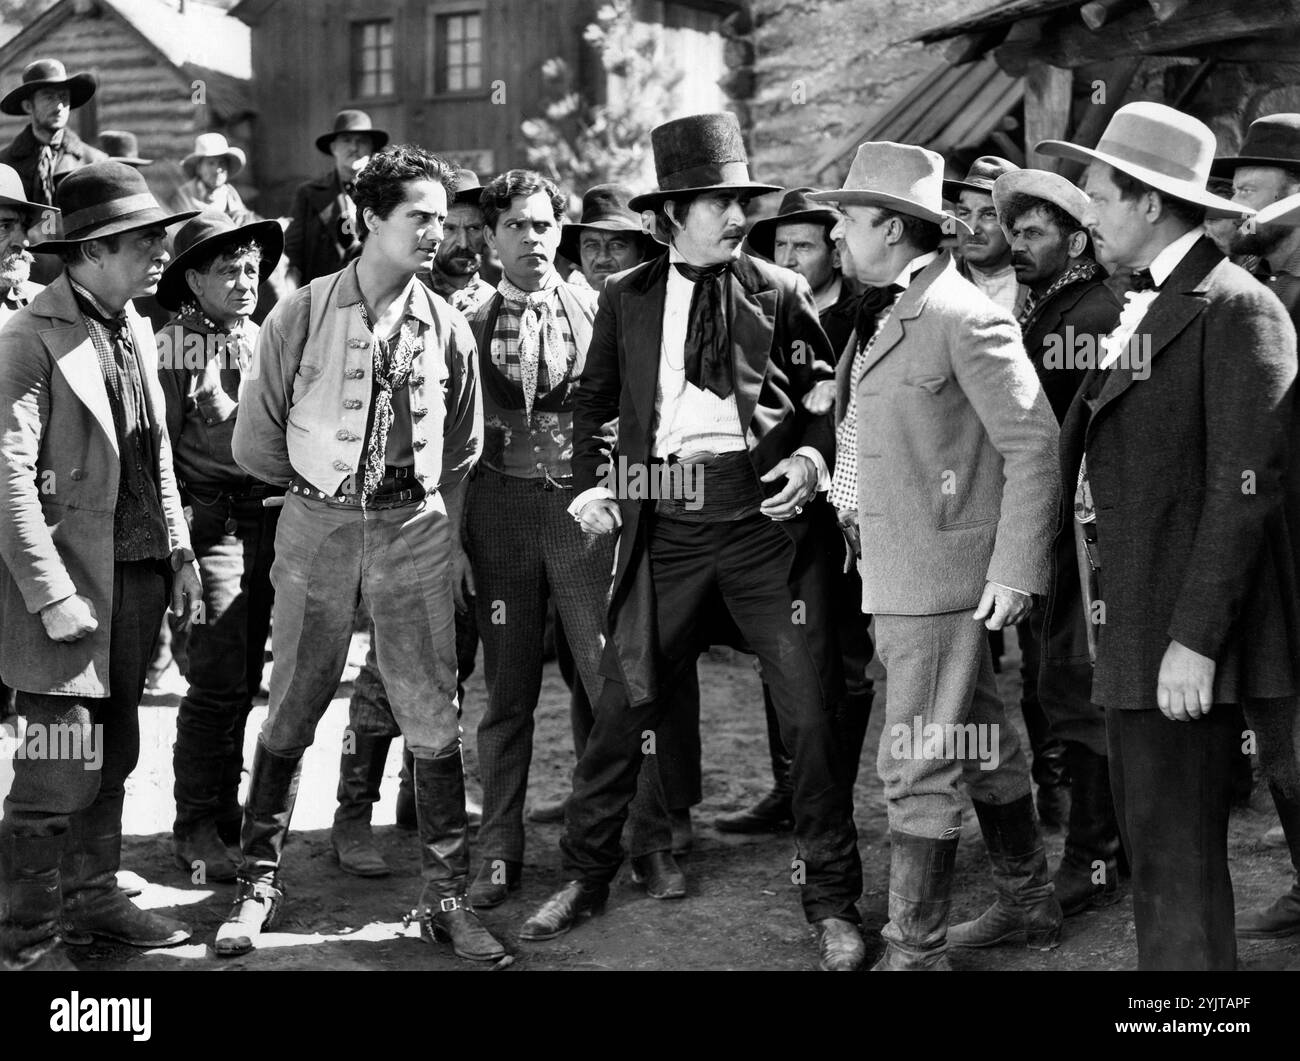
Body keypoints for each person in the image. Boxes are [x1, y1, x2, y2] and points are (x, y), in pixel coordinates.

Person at [518, 112, 865, 972]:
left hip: (766, 526)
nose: (736, 214)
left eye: (742, 199)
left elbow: (826, 392)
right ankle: (588, 874)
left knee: (812, 713)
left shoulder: (780, 290)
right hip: (662, 522)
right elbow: (594, 405)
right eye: (718, 201)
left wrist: (817, 457)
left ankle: (832, 900)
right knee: (621, 705)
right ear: (672, 213)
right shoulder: (626, 296)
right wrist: (597, 486)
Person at [223, 144, 506, 963]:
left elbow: (464, 445)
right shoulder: (301, 313)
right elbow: (255, 441)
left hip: (413, 531)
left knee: (431, 714)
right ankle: (255, 887)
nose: (435, 232)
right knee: (293, 705)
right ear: (369, 219)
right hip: (317, 528)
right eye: (418, 216)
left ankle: (445, 900)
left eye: (441, 217)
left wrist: (410, 508)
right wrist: (326, 491)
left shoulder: (446, 321)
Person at [1037, 101, 1297, 970]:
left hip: (1184, 641)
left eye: (1101, 196)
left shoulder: (1237, 309)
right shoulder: (1140, 304)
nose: (1089, 213)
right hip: (1131, 626)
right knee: (1157, 860)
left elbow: (1242, 495)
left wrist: (1193, 641)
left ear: (1150, 202)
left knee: (1180, 870)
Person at [810, 141, 1062, 970]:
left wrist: (1017, 568)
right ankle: (1033, 904)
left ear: (890, 225)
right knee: (982, 738)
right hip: (896, 567)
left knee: (917, 760)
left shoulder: (961, 314)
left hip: (936, 578)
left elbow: (1034, 445)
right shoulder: (889, 306)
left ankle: (913, 948)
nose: (837, 234)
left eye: (847, 219)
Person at [0, 162, 200, 971]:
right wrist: (50, 596)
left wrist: (181, 551)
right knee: (56, 760)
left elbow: (157, 460)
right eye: (146, 241)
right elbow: (6, 473)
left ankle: (92, 901)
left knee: (112, 750)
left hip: (140, 577)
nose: (162, 254)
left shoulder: (136, 324)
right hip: (69, 588)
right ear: (90, 249)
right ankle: (27, 938)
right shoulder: (25, 338)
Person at [720, 185, 876, 834]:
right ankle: (790, 786)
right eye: (781, 244)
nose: (790, 254)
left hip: (849, 516)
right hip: (782, 515)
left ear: (834, 254)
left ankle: (830, 786)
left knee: (842, 656)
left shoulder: (864, 317)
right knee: (780, 651)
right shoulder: (768, 311)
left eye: (804, 244)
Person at [992, 167, 1126, 914]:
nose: (1015, 243)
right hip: (1065, 532)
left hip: (1086, 536)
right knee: (1069, 685)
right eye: (1012, 230)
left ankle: (1092, 854)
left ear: (1076, 241)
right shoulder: (1053, 308)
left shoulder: (1087, 315)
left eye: (1032, 231)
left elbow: (1065, 437)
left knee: (1079, 686)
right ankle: (1112, 847)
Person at [155, 212, 286, 882]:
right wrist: (179, 550)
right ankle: (195, 823)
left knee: (247, 680)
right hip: (209, 527)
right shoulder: (174, 346)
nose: (244, 281)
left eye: (252, 267)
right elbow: (155, 459)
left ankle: (227, 811)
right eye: (228, 270)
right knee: (214, 678)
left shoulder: (264, 336)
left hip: (267, 520)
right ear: (195, 280)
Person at [1212, 115, 1300, 942]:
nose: (1235, 203)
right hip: (1272, 533)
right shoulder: (1256, 272)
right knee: (1281, 725)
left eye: (1248, 186)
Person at [284, 110, 387, 287]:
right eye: (347, 140)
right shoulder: (308, 194)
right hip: (321, 299)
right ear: (333, 147)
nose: (354, 148)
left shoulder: (386, 194)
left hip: (374, 297)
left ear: (371, 148)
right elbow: (292, 256)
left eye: (361, 141)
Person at [0, 59, 106, 207]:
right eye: (49, 97)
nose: (59, 107)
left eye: (64, 97)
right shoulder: (5, 165)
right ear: (28, 106)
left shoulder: (95, 162)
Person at [557, 183, 660, 288]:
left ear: (640, 252)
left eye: (616, 245)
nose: (602, 258)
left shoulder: (664, 301)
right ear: (579, 251)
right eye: (591, 246)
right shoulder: (568, 302)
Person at [175, 134, 251, 223]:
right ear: (199, 168)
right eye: (211, 163)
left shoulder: (233, 198)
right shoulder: (185, 196)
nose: (217, 170)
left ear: (227, 169)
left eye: (221, 163)